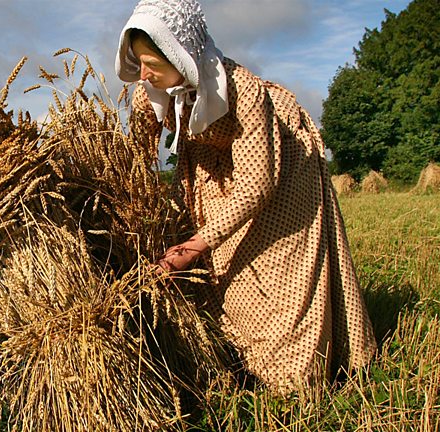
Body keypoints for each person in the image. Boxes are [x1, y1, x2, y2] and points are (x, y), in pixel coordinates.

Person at [115, 0, 377, 392]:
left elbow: (257, 184)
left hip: (283, 166)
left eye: (152, 62)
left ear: (181, 55)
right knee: (225, 268)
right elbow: (136, 152)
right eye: (139, 61)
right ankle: (235, 360)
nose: (145, 73)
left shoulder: (245, 92)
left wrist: (194, 245)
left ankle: (297, 379)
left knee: (276, 265)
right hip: (211, 165)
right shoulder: (150, 90)